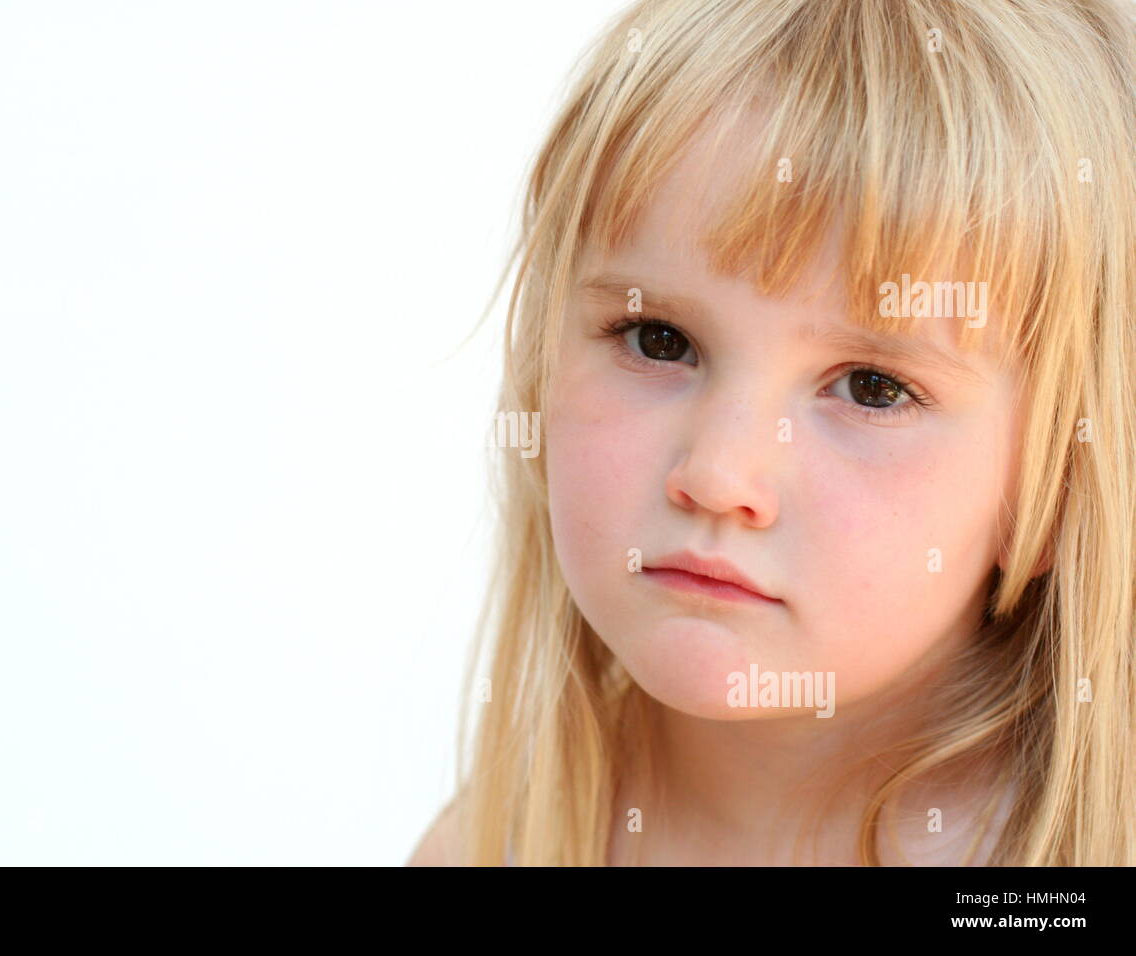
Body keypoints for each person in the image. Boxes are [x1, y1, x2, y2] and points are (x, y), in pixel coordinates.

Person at [409, 0, 1136, 866]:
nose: (718, 477)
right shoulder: (492, 848)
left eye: (872, 388)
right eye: (659, 340)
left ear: (1055, 488)